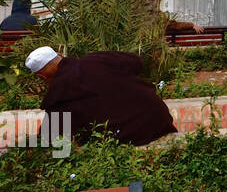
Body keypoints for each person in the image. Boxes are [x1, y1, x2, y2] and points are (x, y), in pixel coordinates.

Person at [26, 46, 177, 146]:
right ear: (59, 55)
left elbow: (50, 140)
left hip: (134, 136)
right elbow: (137, 62)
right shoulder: (99, 58)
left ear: (42, 77)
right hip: (160, 120)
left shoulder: (59, 94)